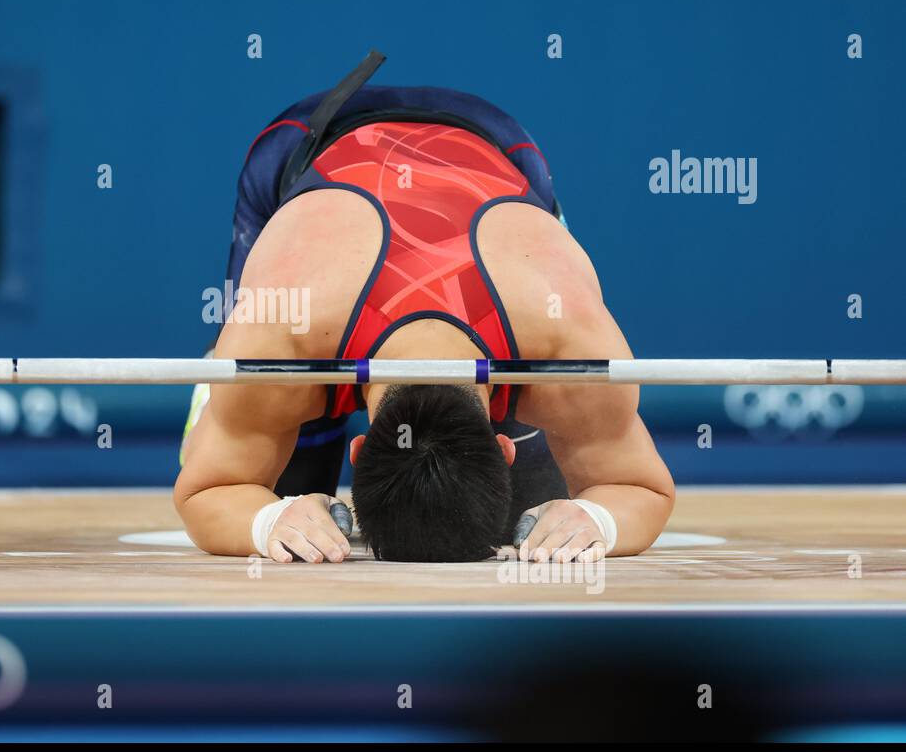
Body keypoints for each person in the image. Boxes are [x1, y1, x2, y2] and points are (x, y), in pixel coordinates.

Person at [174, 52, 674, 563]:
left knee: (526, 521)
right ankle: (221, 382)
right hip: (305, 145)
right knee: (288, 497)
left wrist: (595, 520)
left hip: (493, 153)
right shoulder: (279, 334)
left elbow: (642, 489)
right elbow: (204, 489)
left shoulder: (567, 338)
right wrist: (268, 520)